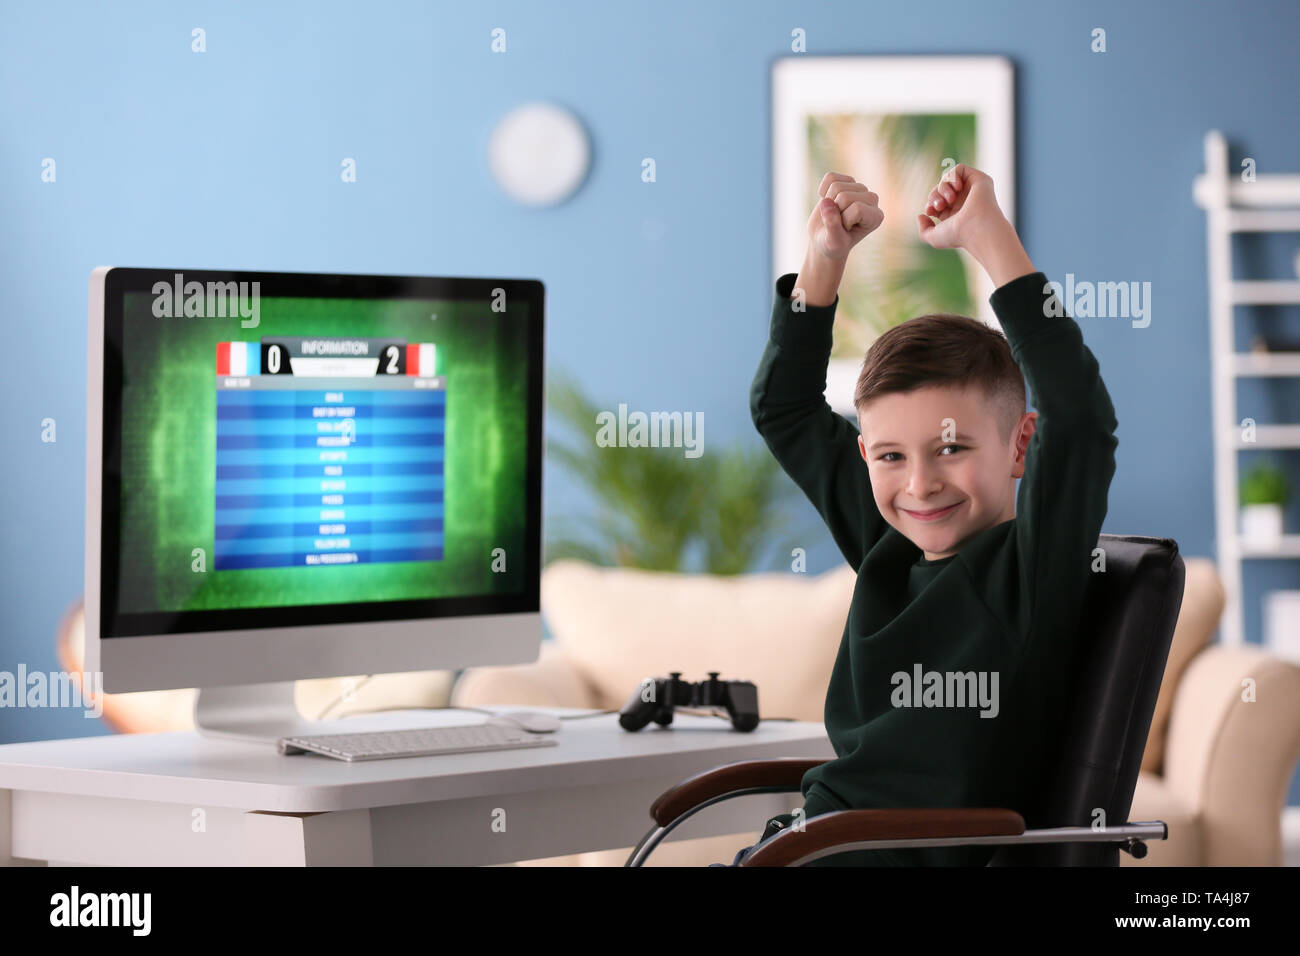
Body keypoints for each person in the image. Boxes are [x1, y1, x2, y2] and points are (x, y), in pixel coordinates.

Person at [722, 164, 1118, 866]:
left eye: (952, 449)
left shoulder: (1031, 573)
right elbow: (782, 409)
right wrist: (825, 258)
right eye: (890, 457)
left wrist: (989, 238)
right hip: (809, 847)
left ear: (1020, 445)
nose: (921, 485)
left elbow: (1080, 418)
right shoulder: (890, 544)